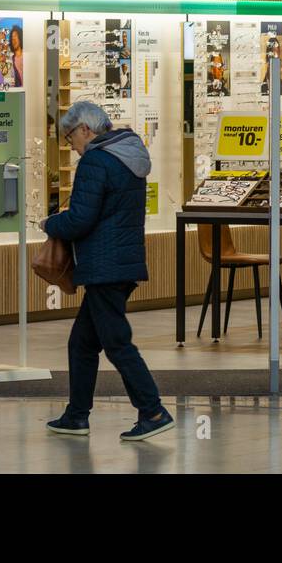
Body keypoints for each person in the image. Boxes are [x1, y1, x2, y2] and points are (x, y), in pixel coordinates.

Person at [40, 101, 173, 442]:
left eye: (70, 139)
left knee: (116, 342)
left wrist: (49, 222)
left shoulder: (96, 161)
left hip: (104, 266)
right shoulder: (128, 155)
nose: (72, 148)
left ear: (85, 129)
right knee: (82, 343)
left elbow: (81, 219)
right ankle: (76, 416)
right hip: (122, 263)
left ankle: (153, 410)